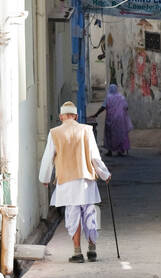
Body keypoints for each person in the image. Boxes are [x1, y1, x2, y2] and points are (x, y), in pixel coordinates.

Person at [39, 101, 111, 263]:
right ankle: (92, 249)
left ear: (61, 116)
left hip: (67, 182)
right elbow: (94, 157)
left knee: (73, 215)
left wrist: (45, 178)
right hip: (86, 180)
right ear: (76, 116)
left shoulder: (55, 133)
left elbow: (48, 158)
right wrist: (104, 174)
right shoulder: (86, 130)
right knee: (90, 213)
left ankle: (77, 252)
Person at [94, 81, 133, 157]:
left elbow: (103, 107)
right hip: (120, 119)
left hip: (110, 119)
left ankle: (110, 151)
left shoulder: (108, 97)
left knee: (110, 134)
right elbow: (126, 107)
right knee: (120, 133)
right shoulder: (121, 97)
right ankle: (120, 151)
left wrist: (96, 114)